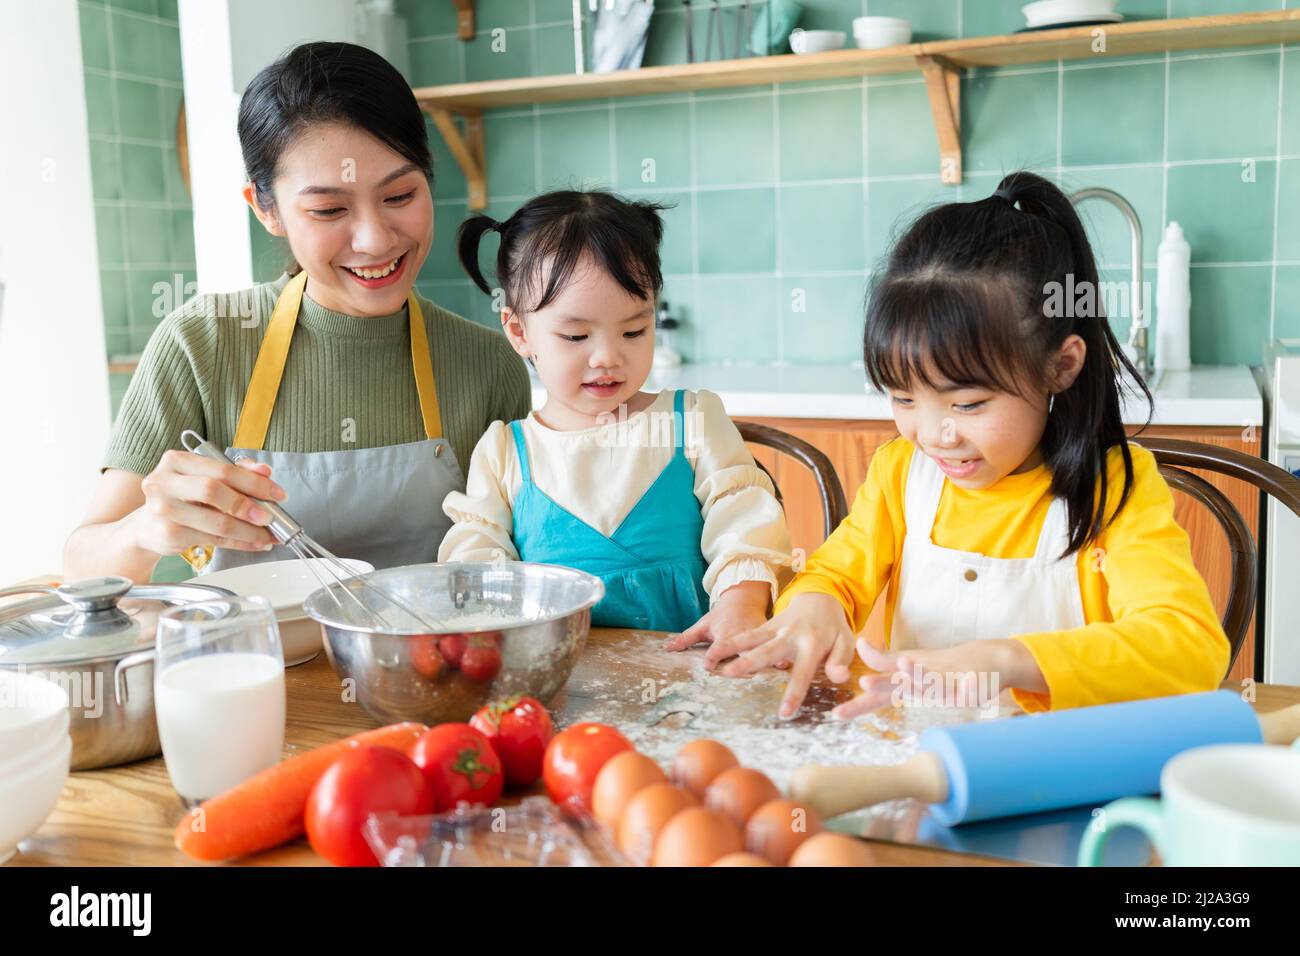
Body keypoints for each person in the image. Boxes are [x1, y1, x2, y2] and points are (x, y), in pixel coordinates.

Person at [711, 171, 1229, 719]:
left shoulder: (1113, 489)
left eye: (968, 405)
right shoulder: (900, 473)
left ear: (1062, 365)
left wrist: (1007, 659)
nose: (935, 435)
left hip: (1057, 780)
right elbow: (835, 575)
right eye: (904, 398)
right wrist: (814, 606)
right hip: (920, 766)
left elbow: (1188, 648)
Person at [65, 42, 529, 582]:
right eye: (329, 209)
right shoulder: (202, 343)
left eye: (400, 195)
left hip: (433, 665)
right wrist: (144, 529)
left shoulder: (488, 363)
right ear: (267, 209)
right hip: (259, 666)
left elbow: (526, 562)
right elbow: (82, 564)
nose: (376, 239)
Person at [438, 190, 792, 641]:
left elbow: (743, 517)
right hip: (564, 681)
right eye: (575, 336)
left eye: (633, 330)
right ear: (519, 332)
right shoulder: (505, 452)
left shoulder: (693, 419)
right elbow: (477, 559)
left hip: (692, 668)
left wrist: (741, 604)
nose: (607, 356)